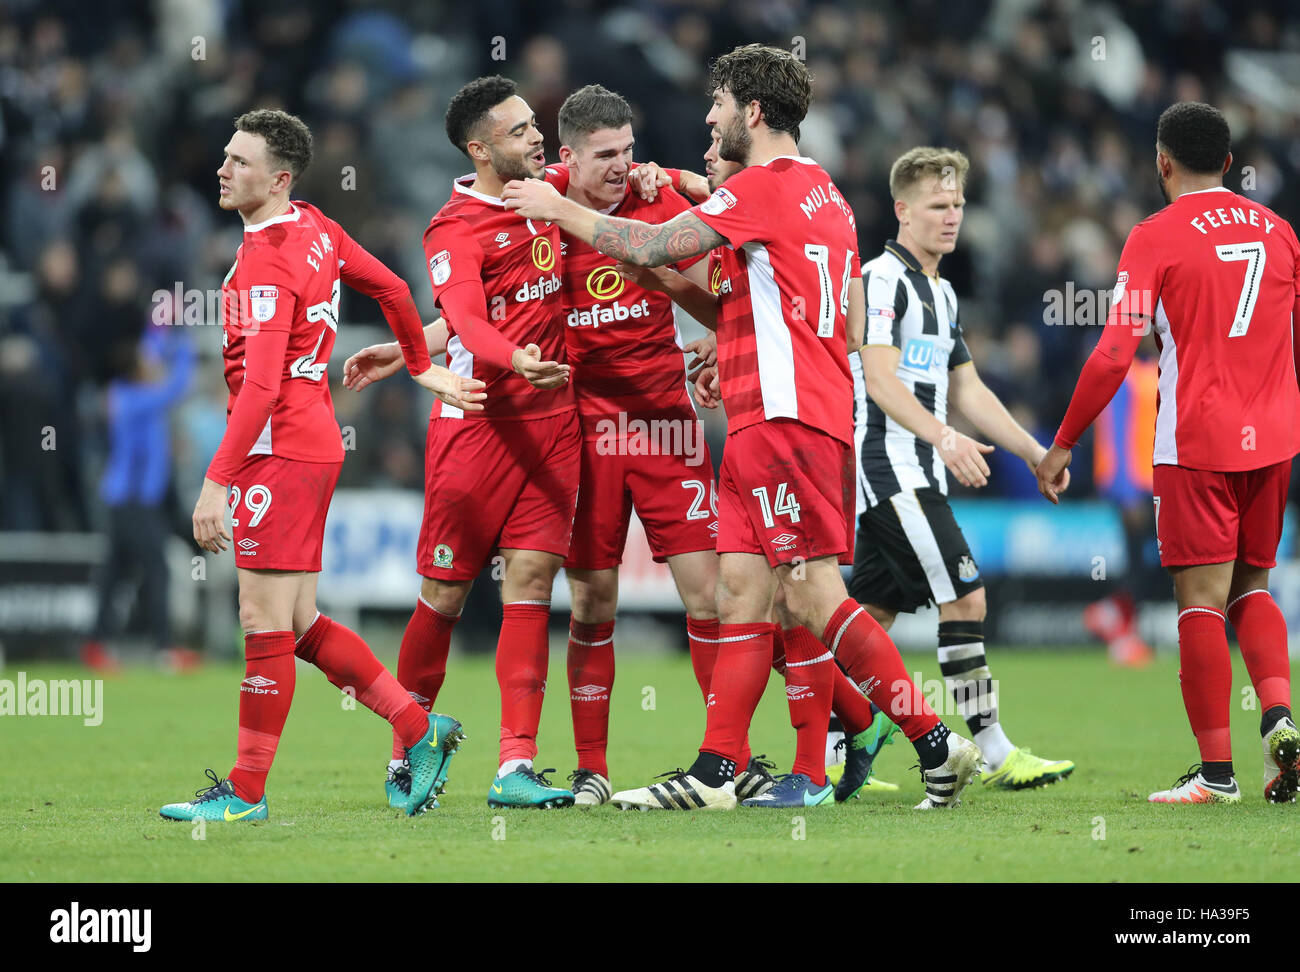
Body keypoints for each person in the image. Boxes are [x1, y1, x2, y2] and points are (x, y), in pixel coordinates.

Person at [505, 44, 982, 811]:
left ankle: (932, 743)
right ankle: (716, 771)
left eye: (719, 104)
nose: (709, 115)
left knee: (814, 593)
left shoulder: (764, 187)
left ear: (753, 113)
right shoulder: (823, 189)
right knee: (741, 592)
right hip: (773, 415)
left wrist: (560, 208)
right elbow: (799, 301)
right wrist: (727, 343)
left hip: (789, 419)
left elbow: (659, 244)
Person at [159, 109, 483, 822]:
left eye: (239, 161)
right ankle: (416, 725)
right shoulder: (315, 227)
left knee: (260, 619)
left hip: (279, 450)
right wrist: (421, 368)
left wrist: (216, 480)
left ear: (277, 179)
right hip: (311, 444)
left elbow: (265, 385)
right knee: (299, 622)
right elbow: (397, 292)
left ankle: (245, 795)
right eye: (224, 155)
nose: (222, 168)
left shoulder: (270, 255)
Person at [1037, 101, 1300, 804]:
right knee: (1254, 588)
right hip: (1275, 438)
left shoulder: (1155, 235)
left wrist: (1063, 443)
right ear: (1227, 162)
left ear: (1162, 164)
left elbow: (1112, 354)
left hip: (1198, 441)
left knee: (1201, 605)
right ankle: (1279, 721)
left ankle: (1216, 776)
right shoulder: (1280, 232)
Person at [365, 76, 581, 811]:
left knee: (532, 587)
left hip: (554, 428)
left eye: (534, 125)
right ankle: (407, 749)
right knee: (445, 595)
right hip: (477, 427)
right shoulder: (452, 228)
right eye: (520, 131)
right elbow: (466, 316)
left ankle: (514, 767)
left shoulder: (547, 190)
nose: (537, 137)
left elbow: (613, 179)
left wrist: (660, 172)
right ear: (479, 148)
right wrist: (513, 358)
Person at [849, 146, 1075, 790]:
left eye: (958, 205)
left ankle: (839, 753)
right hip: (894, 468)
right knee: (966, 597)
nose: (951, 217)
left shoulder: (943, 294)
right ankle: (997, 752)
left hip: (920, 465)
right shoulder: (881, 280)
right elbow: (879, 378)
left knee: (868, 618)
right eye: (937, 206)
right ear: (902, 210)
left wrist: (1036, 454)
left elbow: (968, 389)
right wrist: (943, 437)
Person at [84, 324, 195, 673]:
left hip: (127, 500)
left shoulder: (128, 395)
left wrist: (159, 328)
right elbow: (178, 386)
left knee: (116, 572)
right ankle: (164, 649)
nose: (154, 366)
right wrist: (184, 344)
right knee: (157, 568)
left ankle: (97, 645)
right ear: (136, 369)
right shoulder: (135, 398)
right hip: (133, 501)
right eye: (148, 364)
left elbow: (151, 355)